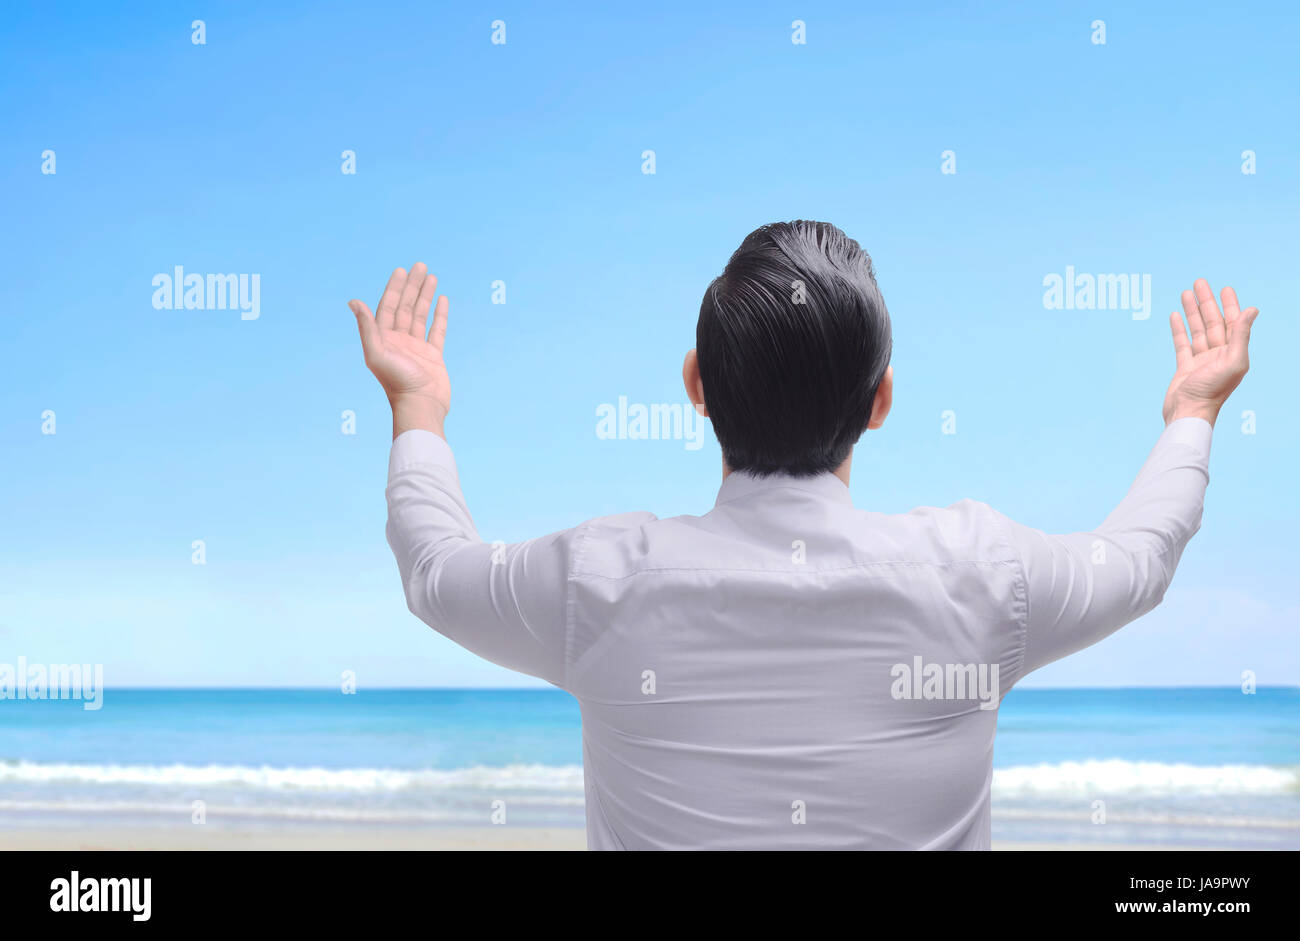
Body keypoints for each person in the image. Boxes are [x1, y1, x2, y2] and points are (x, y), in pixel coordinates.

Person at [348, 221, 1258, 850]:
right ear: (882, 400)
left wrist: (417, 405)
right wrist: (1192, 412)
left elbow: (434, 570)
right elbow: (1141, 560)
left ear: (695, 385)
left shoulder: (600, 581)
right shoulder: (983, 575)